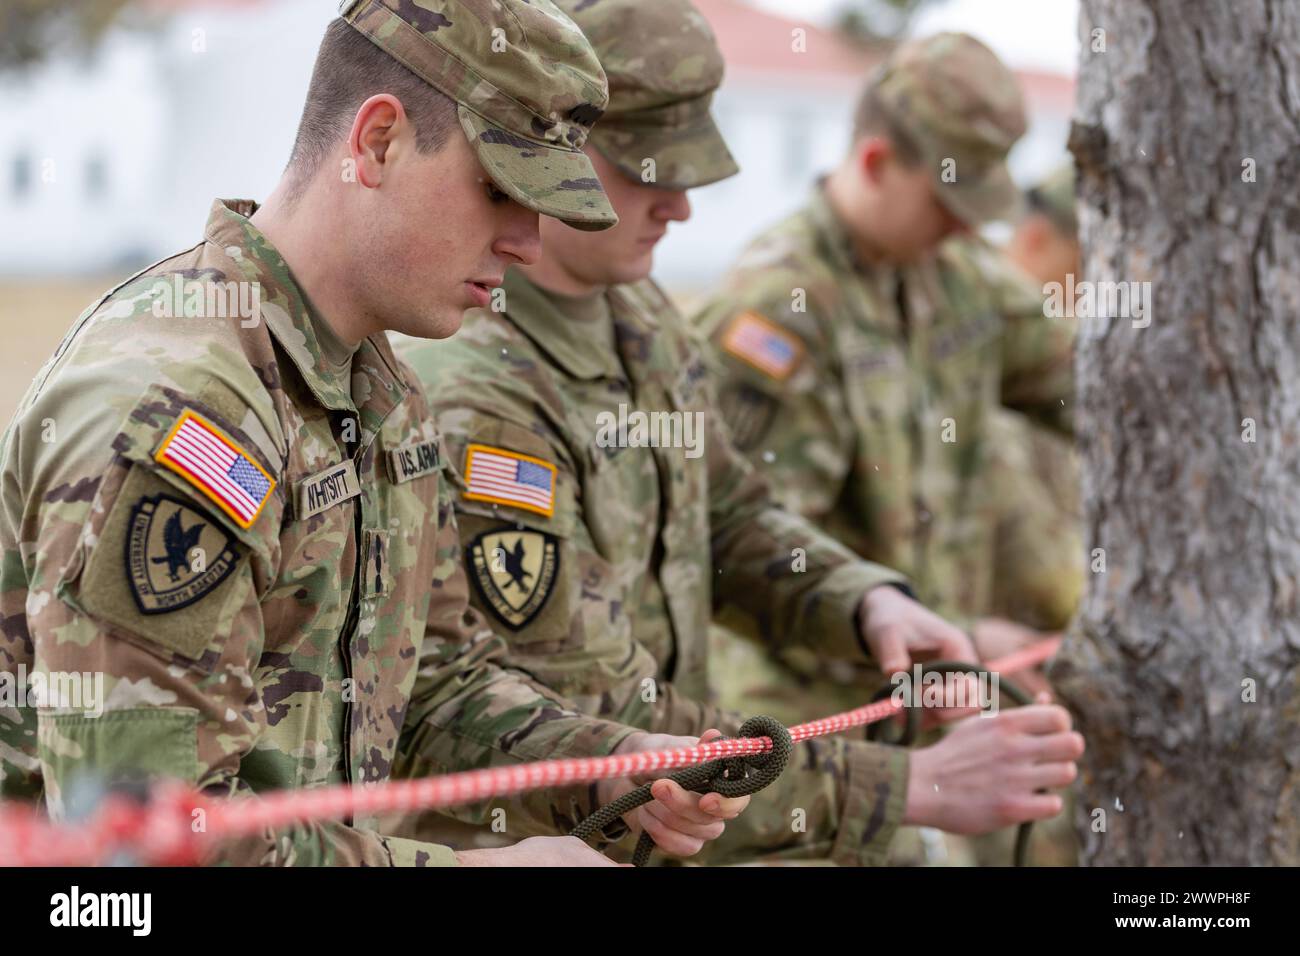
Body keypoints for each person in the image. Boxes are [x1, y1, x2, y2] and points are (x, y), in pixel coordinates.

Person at [0, 0, 750, 867]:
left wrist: (611, 769)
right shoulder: (184, 413)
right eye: (501, 191)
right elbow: (146, 846)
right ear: (379, 141)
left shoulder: (376, 389)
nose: (527, 244)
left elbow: (430, 687)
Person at [395, 1, 1084, 865]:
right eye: (650, 171)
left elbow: (727, 514)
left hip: (686, 818)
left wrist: (863, 601)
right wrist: (902, 786)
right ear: (552, 146)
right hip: (569, 840)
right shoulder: (482, 388)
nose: (681, 207)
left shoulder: (640, 315)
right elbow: (597, 713)